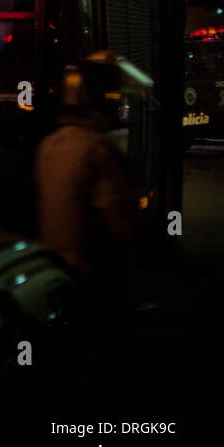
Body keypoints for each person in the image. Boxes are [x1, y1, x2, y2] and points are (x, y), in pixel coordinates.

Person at [34, 52, 140, 296]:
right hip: (91, 275)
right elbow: (122, 225)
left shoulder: (49, 145)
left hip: (55, 270)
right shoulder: (97, 149)